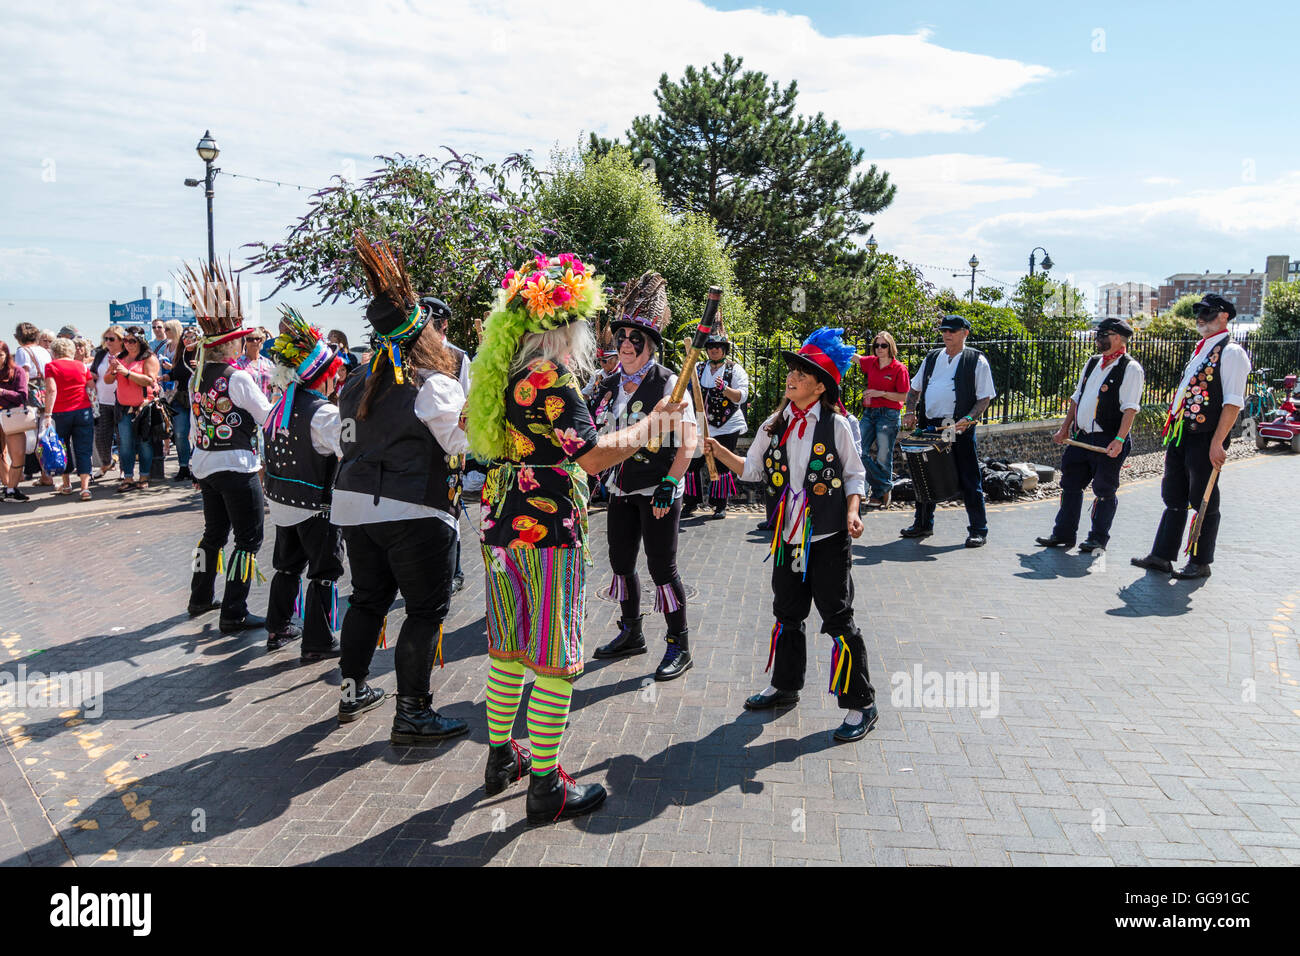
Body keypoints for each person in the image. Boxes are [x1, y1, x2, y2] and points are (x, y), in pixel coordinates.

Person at [467, 252, 688, 823]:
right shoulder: (552, 379)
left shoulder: (507, 374)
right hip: (548, 534)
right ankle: (546, 785)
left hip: (501, 524)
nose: (592, 337)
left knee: (508, 646)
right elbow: (593, 457)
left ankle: (501, 757)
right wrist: (654, 425)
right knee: (555, 659)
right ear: (565, 324)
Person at [702, 327, 877, 742]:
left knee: (837, 617)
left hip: (830, 538)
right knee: (787, 613)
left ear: (820, 385)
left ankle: (862, 705)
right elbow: (751, 471)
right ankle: (785, 686)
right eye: (793, 370)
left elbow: (855, 475)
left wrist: (853, 513)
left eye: (803, 372)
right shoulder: (773, 424)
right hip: (789, 538)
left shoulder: (836, 425)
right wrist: (718, 450)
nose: (792, 377)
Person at [330, 232, 468, 745]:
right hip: (413, 507)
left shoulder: (356, 378)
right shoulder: (433, 382)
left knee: (367, 598)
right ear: (423, 333)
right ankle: (412, 712)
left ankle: (352, 690)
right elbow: (456, 444)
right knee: (424, 609)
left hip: (353, 505)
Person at [587, 272, 698, 681]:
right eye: (623, 338)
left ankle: (678, 644)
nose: (628, 344)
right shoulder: (608, 382)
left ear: (650, 345)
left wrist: (671, 483)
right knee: (619, 561)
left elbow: (688, 440)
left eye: (637, 339)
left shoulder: (671, 384)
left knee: (662, 569)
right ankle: (631, 632)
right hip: (619, 486)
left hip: (658, 489)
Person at [180, 261, 273, 631]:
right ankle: (234, 610)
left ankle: (200, 595)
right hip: (236, 465)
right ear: (229, 344)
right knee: (249, 538)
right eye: (240, 338)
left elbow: (193, 427)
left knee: (213, 533)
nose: (243, 342)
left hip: (205, 464)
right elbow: (267, 417)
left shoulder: (197, 379)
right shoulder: (239, 378)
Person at [1131, 293, 1250, 580]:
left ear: (1224, 316)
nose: (1200, 317)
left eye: (1207, 312)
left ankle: (1200, 561)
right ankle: (1162, 556)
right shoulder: (1202, 350)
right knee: (1173, 494)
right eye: (1198, 312)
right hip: (1182, 432)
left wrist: (1218, 442)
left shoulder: (1232, 352)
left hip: (1206, 436)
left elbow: (1233, 402)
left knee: (1203, 498)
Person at [261, 308, 346, 661]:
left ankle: (279, 627)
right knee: (325, 571)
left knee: (287, 564)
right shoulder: (323, 413)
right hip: (316, 506)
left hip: (282, 502)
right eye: (333, 376)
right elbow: (348, 451)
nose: (336, 381)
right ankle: (318, 639)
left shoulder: (279, 405)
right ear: (321, 377)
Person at [1035, 318, 1144, 553]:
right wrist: (1065, 428)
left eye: (1102, 334)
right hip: (1081, 437)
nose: (1097, 338)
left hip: (1108, 439)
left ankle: (1097, 538)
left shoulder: (1130, 368)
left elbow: (1130, 408)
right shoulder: (1093, 362)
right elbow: (1077, 396)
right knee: (1070, 485)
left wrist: (1120, 439)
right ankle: (1063, 534)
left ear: (1117, 337)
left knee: (1104, 490)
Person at [900, 314, 997, 547]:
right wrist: (910, 412)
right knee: (925, 475)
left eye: (952, 331)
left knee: (968, 476)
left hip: (956, 428)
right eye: (944, 330)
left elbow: (984, 398)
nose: (947, 335)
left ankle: (978, 529)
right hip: (930, 425)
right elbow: (914, 390)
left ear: (965, 333)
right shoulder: (932, 357)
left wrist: (967, 419)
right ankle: (923, 523)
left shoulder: (976, 360)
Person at [420, 295, 470, 594]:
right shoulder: (411, 353)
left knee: (450, 506)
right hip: (419, 442)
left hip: (450, 440)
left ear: (443, 325)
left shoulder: (459, 357)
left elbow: (467, 399)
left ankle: (455, 570)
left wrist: (463, 446)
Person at [682, 326, 748, 520]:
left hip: (727, 425)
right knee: (693, 463)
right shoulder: (698, 368)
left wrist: (725, 388)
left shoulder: (735, 370)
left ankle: (719, 505)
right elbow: (686, 388)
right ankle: (691, 501)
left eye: (718, 346)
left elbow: (741, 397)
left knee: (721, 466)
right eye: (711, 346)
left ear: (725, 349)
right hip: (701, 424)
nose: (714, 349)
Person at [856, 331, 909, 508]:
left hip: (889, 414)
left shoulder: (899, 368)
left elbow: (904, 395)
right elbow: (854, 357)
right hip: (870, 413)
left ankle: (878, 495)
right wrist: (830, 346)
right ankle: (885, 485)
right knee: (858, 450)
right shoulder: (871, 362)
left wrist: (882, 393)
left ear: (890, 347)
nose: (879, 349)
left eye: (883, 345)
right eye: (876, 345)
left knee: (883, 456)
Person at [104, 325, 160, 491]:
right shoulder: (120, 357)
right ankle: (127, 477)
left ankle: (144, 476)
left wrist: (127, 373)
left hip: (143, 408)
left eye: (132, 341)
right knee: (126, 444)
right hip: (123, 408)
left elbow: (150, 380)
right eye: (126, 340)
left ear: (140, 341)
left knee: (144, 443)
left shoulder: (148, 358)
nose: (128, 344)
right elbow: (107, 380)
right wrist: (114, 371)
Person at [41, 337, 95, 500]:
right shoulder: (81, 366)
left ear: (54, 352)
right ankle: (85, 488)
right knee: (84, 449)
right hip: (83, 411)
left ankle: (67, 484)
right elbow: (91, 386)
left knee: (62, 448)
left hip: (60, 412)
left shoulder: (51, 366)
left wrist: (47, 414)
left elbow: (51, 390)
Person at [14, 323, 51, 486]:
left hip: (32, 396)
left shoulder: (22, 351)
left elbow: (25, 375)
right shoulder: (44, 351)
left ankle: (20, 474)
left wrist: (20, 397)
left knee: (30, 437)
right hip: (47, 394)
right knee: (43, 435)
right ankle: (46, 474)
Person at [163, 325, 199, 481]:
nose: (188, 340)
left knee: (198, 434)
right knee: (180, 433)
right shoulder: (180, 354)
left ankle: (198, 468)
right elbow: (175, 373)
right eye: (185, 337)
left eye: (192, 337)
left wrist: (201, 367)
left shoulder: (203, 355)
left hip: (198, 399)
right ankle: (184, 466)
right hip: (180, 398)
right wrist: (165, 377)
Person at [89, 327, 124, 479]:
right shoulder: (101, 355)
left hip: (121, 401)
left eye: (112, 339)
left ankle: (125, 469)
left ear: (121, 340)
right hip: (101, 400)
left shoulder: (126, 355)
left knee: (122, 437)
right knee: (101, 438)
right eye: (106, 339)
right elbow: (93, 371)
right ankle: (106, 462)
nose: (108, 342)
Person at [0, 341, 31, 502]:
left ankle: (11, 488)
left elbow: (22, 396)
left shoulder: (16, 371)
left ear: (6, 355)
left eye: (0, 354)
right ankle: (8, 488)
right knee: (1, 454)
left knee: (18, 454)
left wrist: (3, 391)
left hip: (12, 416)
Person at [234, 328, 276, 400]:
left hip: (267, 407)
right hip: (245, 408)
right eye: (250, 339)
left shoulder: (269, 364)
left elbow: (275, 386)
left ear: (262, 340)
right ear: (245, 342)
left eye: (257, 339)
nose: (254, 341)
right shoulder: (238, 363)